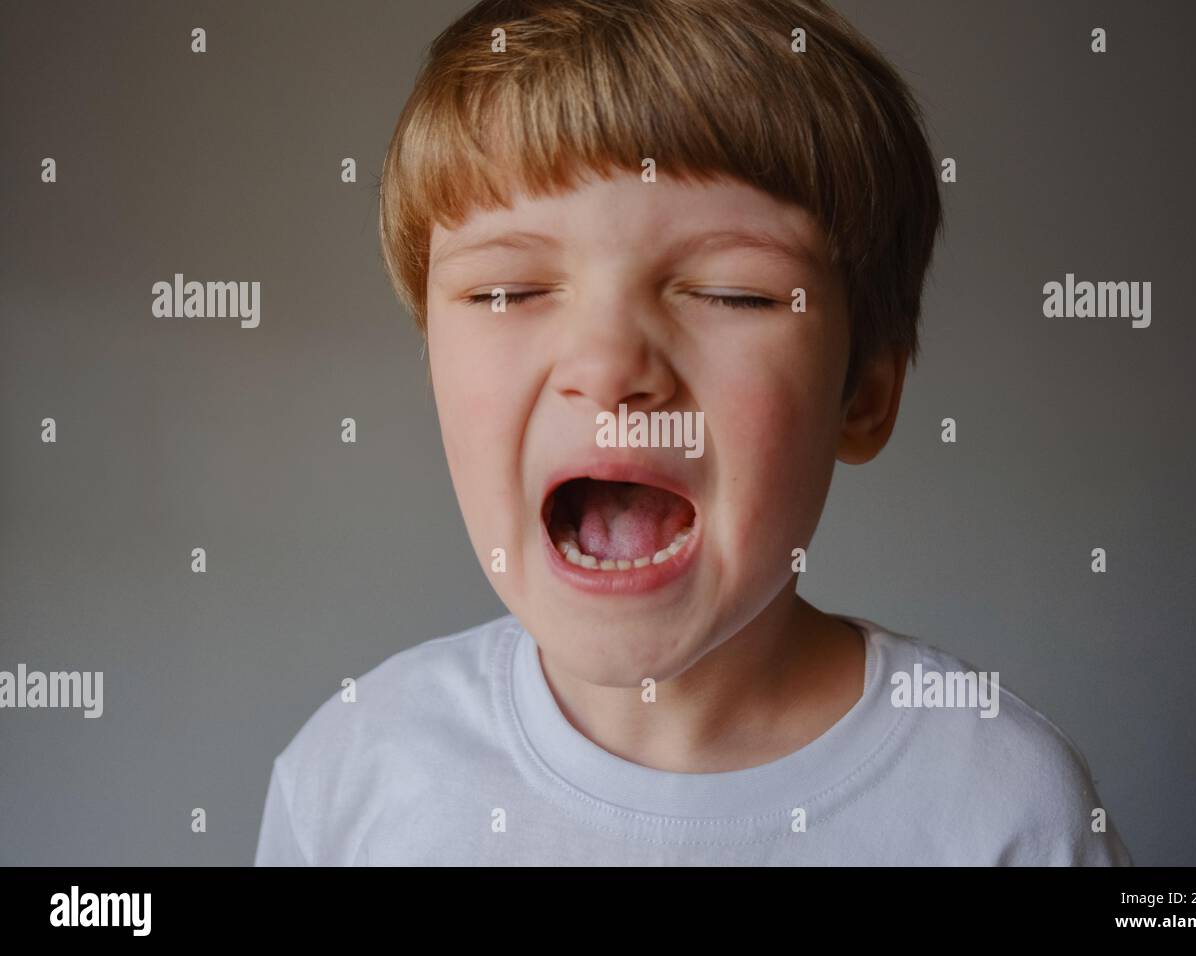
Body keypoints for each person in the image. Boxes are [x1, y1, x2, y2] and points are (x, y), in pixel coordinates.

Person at [254, 0, 1132, 866]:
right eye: (507, 292)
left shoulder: (1003, 808)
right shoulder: (350, 774)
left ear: (863, 393)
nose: (606, 366)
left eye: (732, 293)